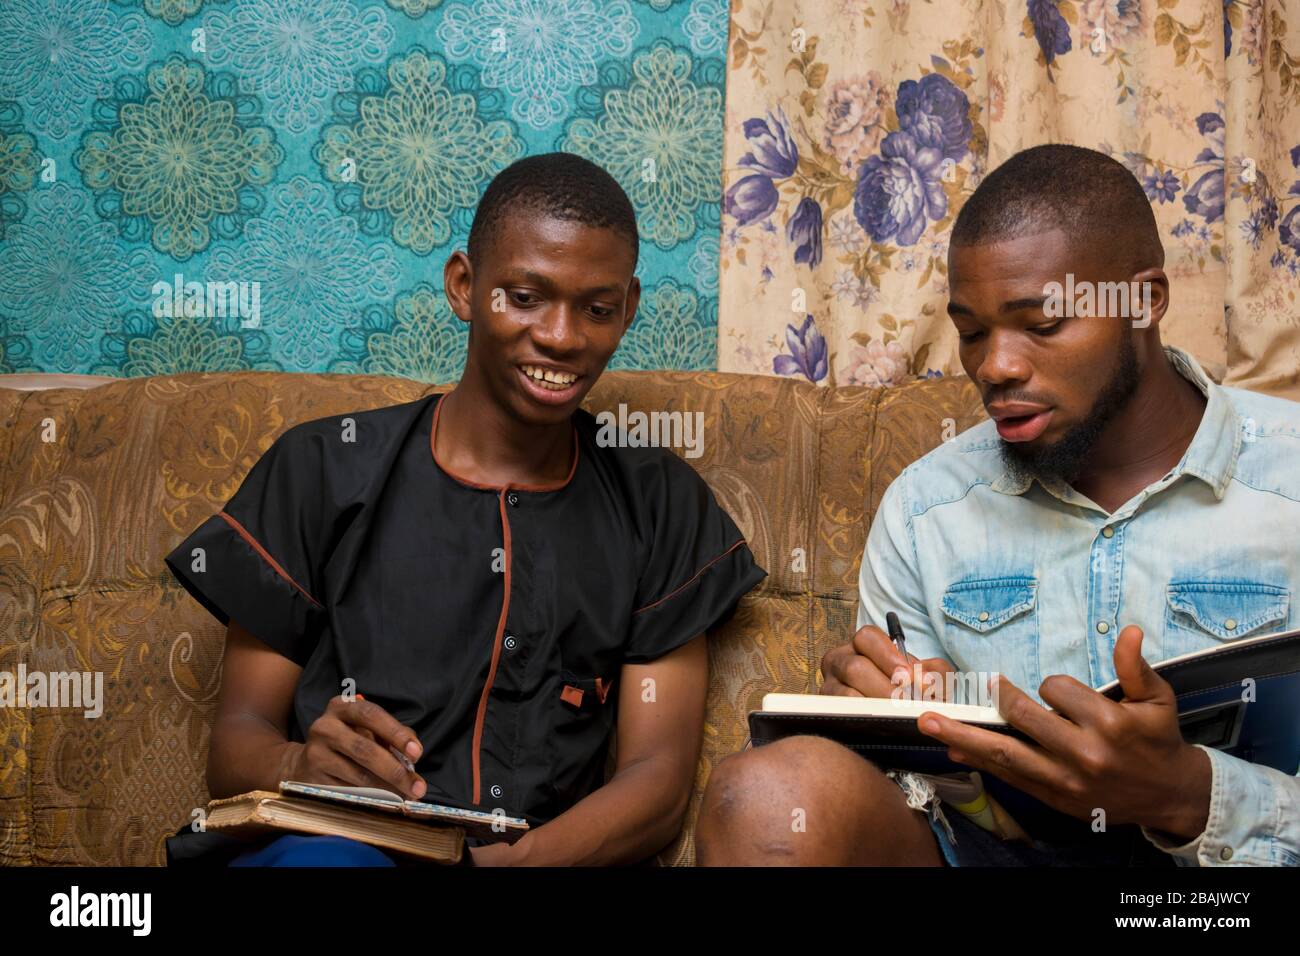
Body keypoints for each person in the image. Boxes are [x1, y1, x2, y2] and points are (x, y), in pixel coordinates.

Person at [695, 144, 1300, 867]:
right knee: (761, 797)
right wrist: (870, 726)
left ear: (1144, 300)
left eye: (1042, 324)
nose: (995, 366)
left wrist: (1187, 795)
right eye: (972, 331)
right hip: (993, 855)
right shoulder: (928, 510)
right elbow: (911, 791)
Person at [163, 152, 766, 866]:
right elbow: (236, 742)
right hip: (336, 854)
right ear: (464, 286)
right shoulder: (323, 469)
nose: (562, 336)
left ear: (629, 309)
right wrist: (296, 765)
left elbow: (656, 782)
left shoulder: (659, 506)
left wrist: (508, 866)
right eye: (526, 296)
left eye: (597, 309)